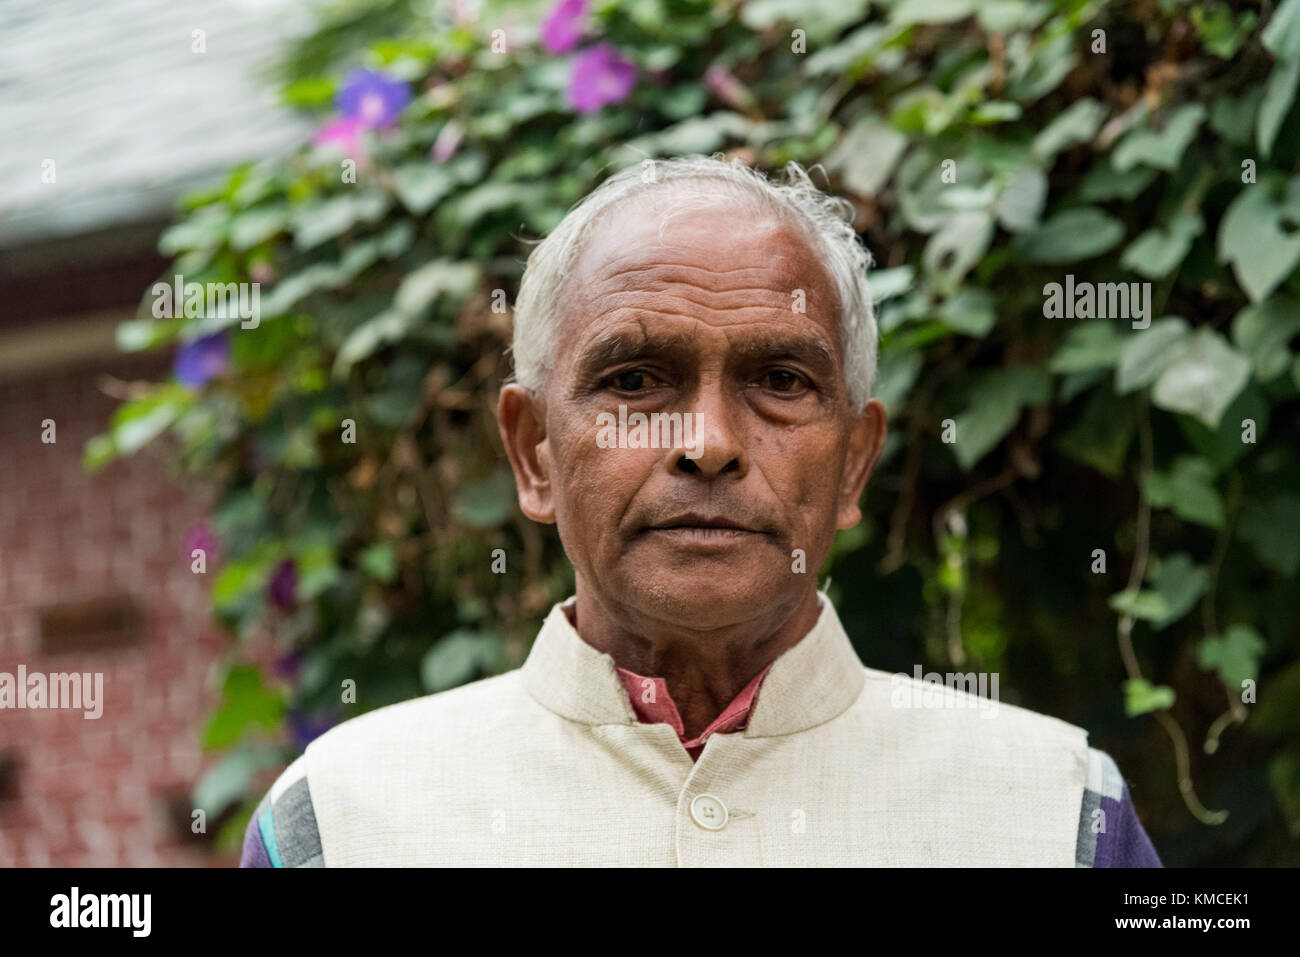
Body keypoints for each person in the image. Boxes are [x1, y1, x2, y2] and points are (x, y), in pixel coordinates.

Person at [241, 155, 1160, 867]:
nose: (710, 439)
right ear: (534, 454)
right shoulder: (344, 821)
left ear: (854, 463)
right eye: (636, 379)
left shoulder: (1057, 813)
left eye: (780, 380)